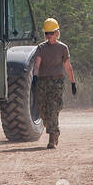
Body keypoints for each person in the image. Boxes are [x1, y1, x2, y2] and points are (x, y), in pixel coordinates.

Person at [31, 17, 76, 149]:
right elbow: (37, 64)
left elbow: (68, 66)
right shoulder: (41, 48)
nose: (48, 36)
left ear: (57, 33)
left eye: (51, 33)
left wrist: (73, 82)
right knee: (43, 110)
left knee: (52, 108)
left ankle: (53, 137)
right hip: (43, 82)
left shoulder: (63, 48)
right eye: (46, 33)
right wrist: (34, 77)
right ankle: (51, 127)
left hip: (57, 82)